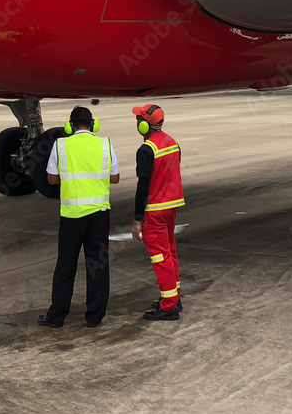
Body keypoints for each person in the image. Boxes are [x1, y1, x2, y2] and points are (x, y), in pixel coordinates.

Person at [38, 106, 120, 328]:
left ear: (70, 125)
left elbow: (51, 179)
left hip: (72, 215)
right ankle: (95, 317)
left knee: (66, 266)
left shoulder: (61, 145)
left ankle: (56, 317)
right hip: (99, 214)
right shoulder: (105, 144)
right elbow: (115, 178)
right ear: (93, 124)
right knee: (98, 265)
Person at [131, 104, 185, 321]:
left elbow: (143, 186)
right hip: (171, 206)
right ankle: (172, 297)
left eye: (139, 119)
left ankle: (169, 306)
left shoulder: (146, 150)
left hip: (154, 210)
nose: (136, 123)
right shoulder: (173, 142)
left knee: (160, 256)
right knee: (170, 252)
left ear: (145, 125)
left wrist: (137, 218)